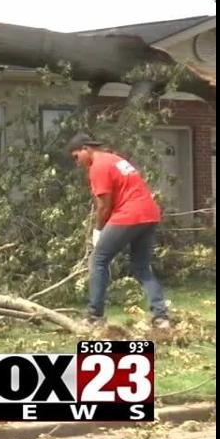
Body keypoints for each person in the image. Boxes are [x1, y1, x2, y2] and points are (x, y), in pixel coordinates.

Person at [66, 133, 171, 329]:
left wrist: (98, 231)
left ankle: (94, 316)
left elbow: (105, 205)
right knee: (141, 266)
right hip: (150, 214)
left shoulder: (98, 166)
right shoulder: (115, 159)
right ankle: (161, 316)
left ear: (85, 149)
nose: (77, 163)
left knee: (98, 260)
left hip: (128, 214)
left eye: (76, 157)